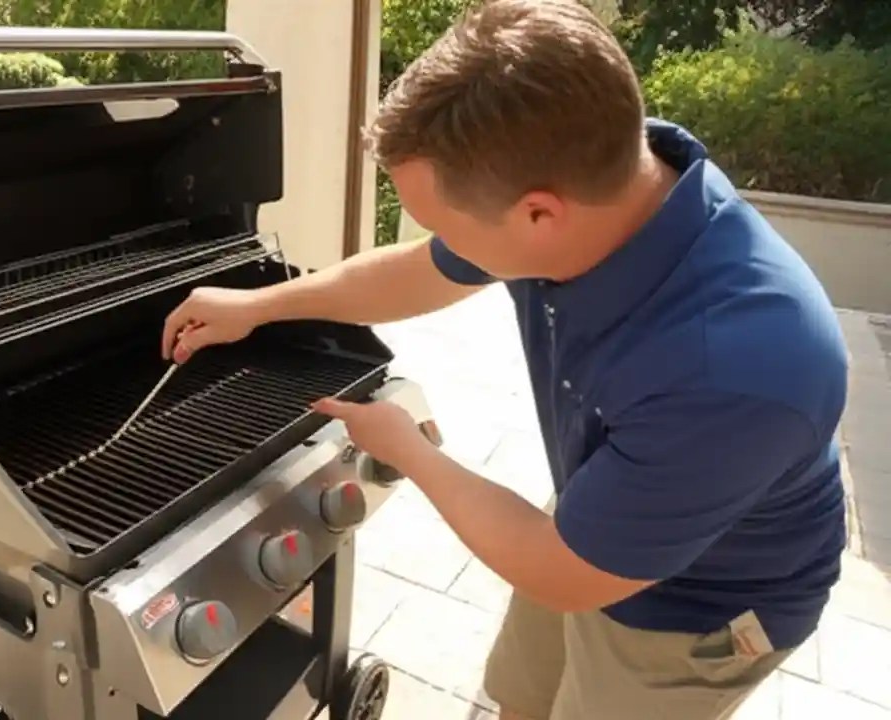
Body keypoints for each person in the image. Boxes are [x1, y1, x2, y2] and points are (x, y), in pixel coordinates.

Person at [159, 0, 849, 718]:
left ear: (539, 215)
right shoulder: (592, 174)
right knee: (518, 698)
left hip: (697, 609)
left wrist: (410, 450)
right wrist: (261, 304)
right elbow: (420, 272)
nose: (438, 241)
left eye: (442, 223)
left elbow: (563, 573)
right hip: (608, 492)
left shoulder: (738, 366)